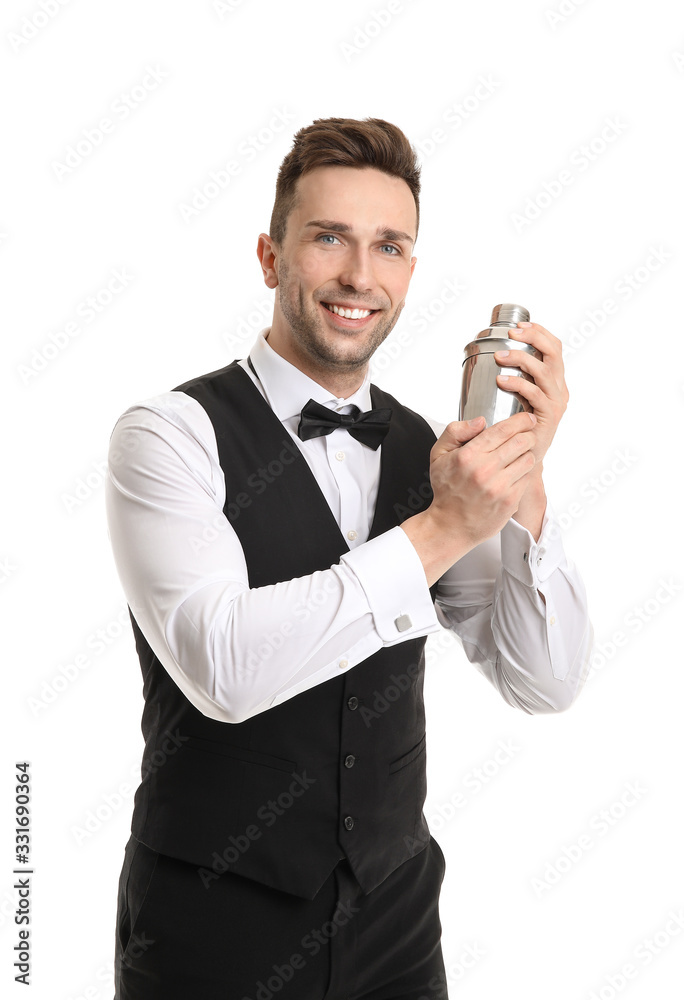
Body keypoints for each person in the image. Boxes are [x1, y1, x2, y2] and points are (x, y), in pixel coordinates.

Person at [105, 116, 593, 1000]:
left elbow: (545, 682)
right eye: (328, 237)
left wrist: (523, 481)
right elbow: (224, 668)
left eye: (390, 247)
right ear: (269, 256)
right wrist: (444, 527)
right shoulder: (167, 436)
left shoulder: (426, 453)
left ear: (411, 269)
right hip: (211, 930)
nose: (360, 277)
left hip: (396, 928)